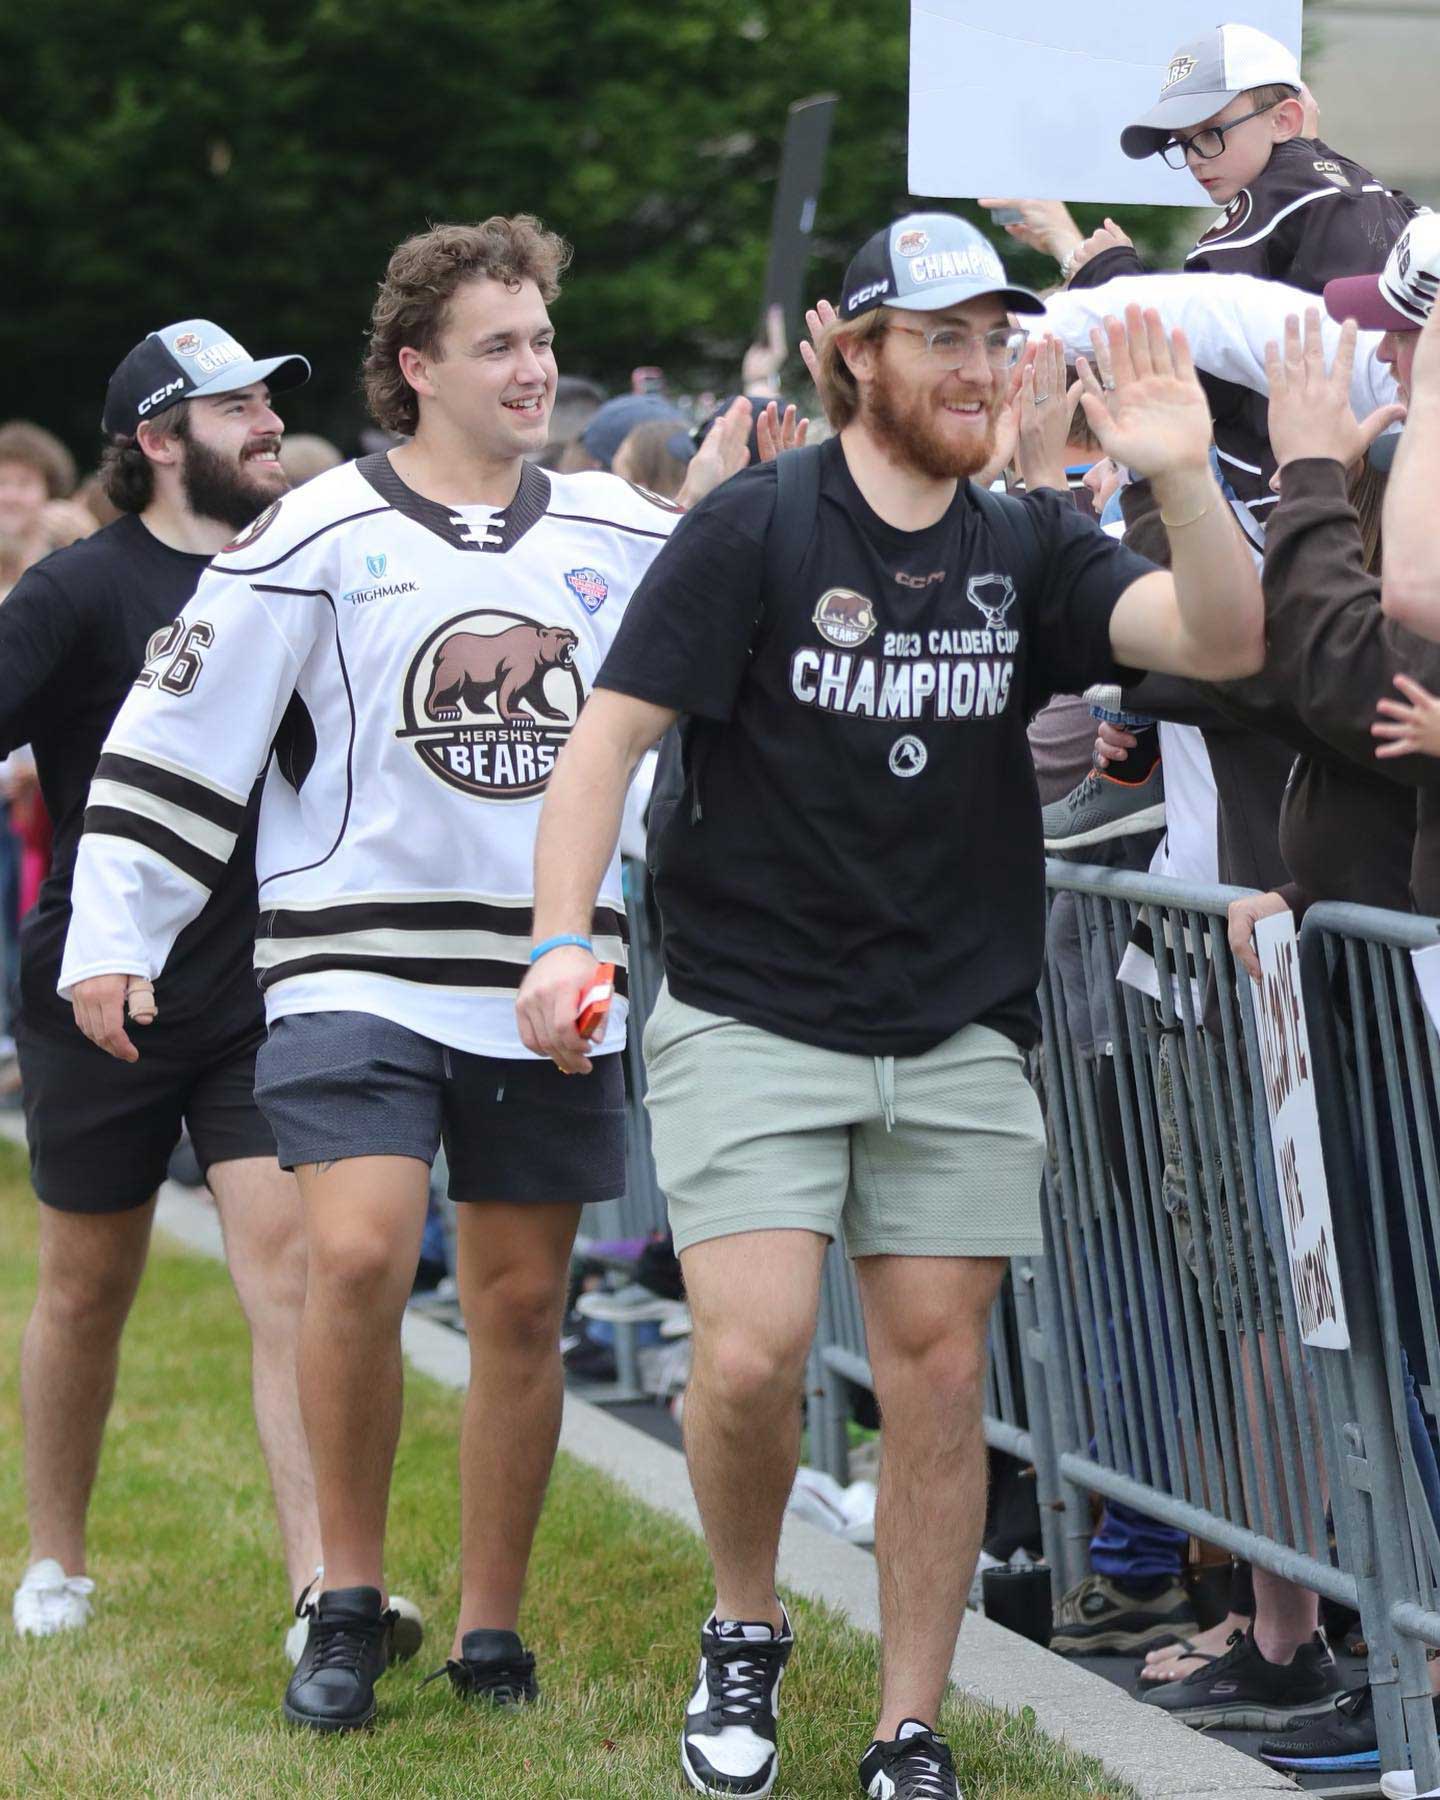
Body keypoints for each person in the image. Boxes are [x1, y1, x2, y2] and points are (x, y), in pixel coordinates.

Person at [516, 211, 1263, 1799]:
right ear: (857, 354)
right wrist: (558, 934)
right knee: (751, 1355)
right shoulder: (757, 531)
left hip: (957, 1016)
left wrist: (1183, 474)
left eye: (994, 337)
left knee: (938, 1372)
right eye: (941, 337)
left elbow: (1220, 637)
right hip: (748, 1002)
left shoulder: (1029, 544)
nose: (980, 367)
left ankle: (906, 1722)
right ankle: (745, 1622)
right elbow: (608, 740)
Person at [57, 216, 748, 1734]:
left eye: (543, 342)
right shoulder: (310, 537)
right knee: (357, 1255)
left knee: (516, 1304)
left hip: (549, 966)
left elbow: (714, 729)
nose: (533, 369)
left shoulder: (622, 537)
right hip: (349, 964)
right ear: (415, 367)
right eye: (499, 344)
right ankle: (347, 1599)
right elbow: (177, 742)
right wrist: (115, 932)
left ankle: (492, 1627)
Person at [5, 319, 337, 1659]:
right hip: (108, 987)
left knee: (292, 1270)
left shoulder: (302, 576)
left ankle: (326, 1590)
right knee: (88, 1284)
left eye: (269, 404)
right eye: (235, 408)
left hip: (265, 986)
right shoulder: (80, 592)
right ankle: (56, 1561)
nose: (266, 424)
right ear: (156, 440)